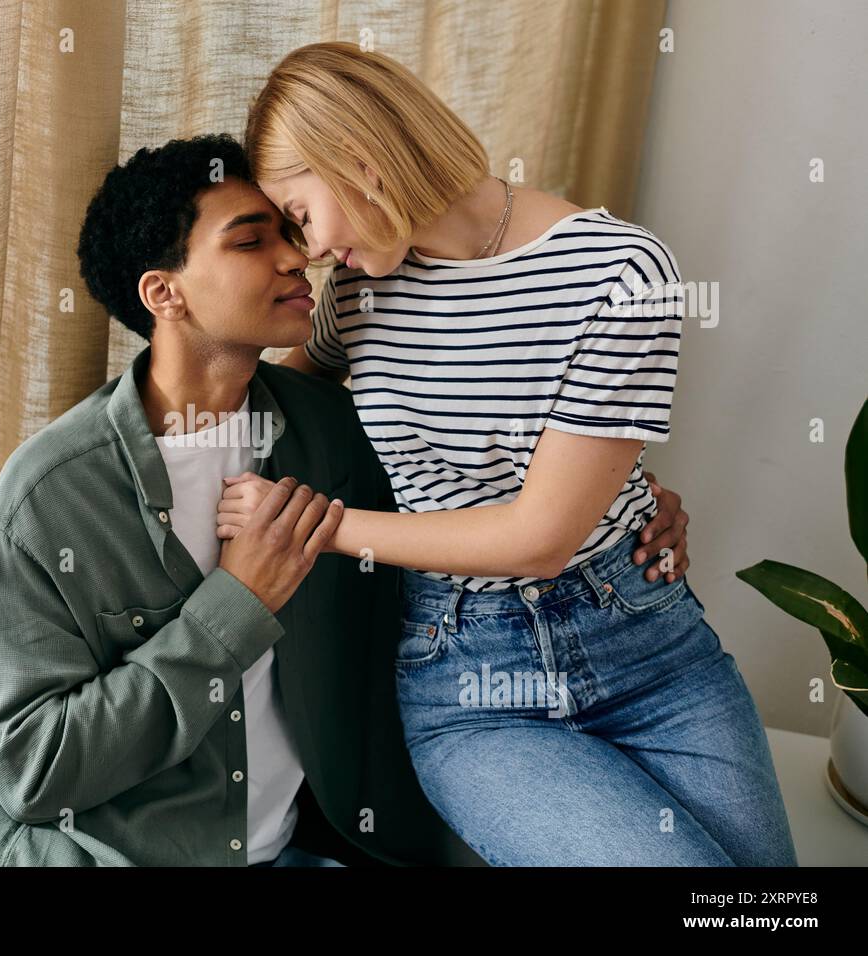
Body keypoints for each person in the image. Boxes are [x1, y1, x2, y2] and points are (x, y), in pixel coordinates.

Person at [0, 132, 693, 866]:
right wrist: (237, 603)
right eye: (250, 242)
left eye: (290, 231)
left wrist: (623, 505)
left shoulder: (334, 435)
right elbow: (30, 773)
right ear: (164, 293)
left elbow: (472, 520)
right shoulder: (52, 497)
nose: (295, 256)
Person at [219, 41, 797, 866]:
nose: (307, 250)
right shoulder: (355, 292)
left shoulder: (623, 272)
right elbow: (280, 406)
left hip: (650, 652)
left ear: (358, 159)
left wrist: (328, 526)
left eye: (301, 216)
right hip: (472, 681)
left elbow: (540, 537)